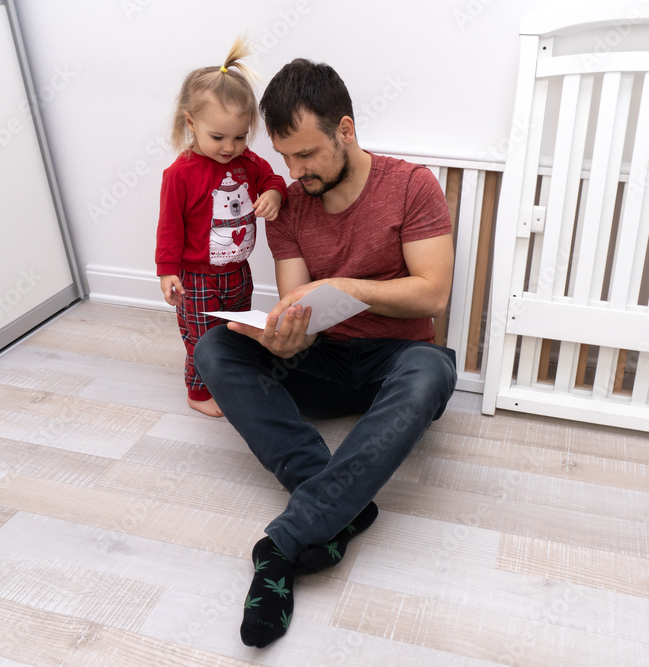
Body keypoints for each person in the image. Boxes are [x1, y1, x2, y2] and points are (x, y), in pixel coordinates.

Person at [193, 58, 457, 648]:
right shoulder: (289, 205)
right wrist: (286, 334)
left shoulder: (412, 186)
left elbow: (433, 293)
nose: (295, 172)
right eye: (285, 157)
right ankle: (342, 503)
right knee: (215, 350)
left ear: (346, 130)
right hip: (326, 360)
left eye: (307, 154)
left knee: (431, 372)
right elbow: (298, 305)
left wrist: (347, 288)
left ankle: (282, 545)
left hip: (397, 361)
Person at [156, 37, 286, 418]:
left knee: (235, 330)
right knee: (203, 336)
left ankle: (232, 380)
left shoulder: (247, 162)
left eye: (240, 136)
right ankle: (198, 392)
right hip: (197, 279)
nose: (230, 147)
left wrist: (274, 195)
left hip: (238, 273)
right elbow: (169, 228)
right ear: (191, 123)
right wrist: (167, 271)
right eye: (218, 137)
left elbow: (273, 179)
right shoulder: (180, 174)